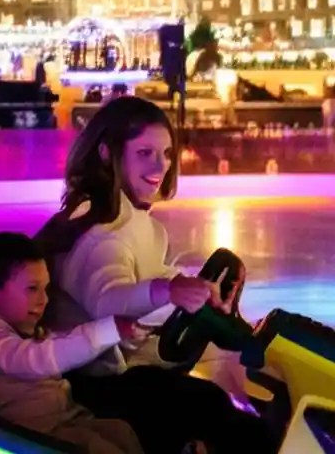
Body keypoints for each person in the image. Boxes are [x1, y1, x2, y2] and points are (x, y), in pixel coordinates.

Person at [35, 96, 274, 454]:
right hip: (90, 383)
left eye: (166, 153)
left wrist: (197, 290)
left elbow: (149, 276)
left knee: (209, 404)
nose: (160, 165)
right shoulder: (101, 228)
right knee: (210, 409)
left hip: (112, 372)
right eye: (145, 153)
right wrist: (168, 290)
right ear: (107, 153)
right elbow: (108, 299)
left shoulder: (130, 219)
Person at [0, 232, 148, 454]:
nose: (44, 300)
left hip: (62, 420)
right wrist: (109, 330)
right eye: (32, 289)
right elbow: (33, 359)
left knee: (119, 430)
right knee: (99, 448)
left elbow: (58, 344)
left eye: (45, 289)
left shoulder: (19, 325)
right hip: (28, 435)